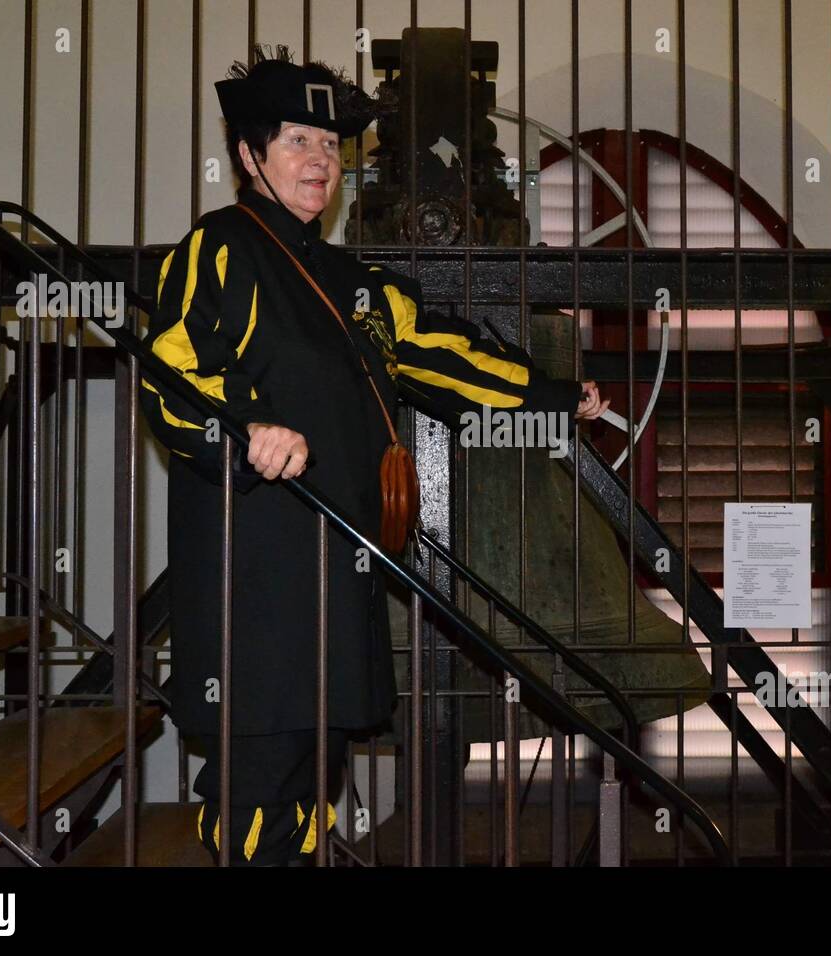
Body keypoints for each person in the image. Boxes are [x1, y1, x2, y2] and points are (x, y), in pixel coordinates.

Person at [138, 45, 609, 866]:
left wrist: (553, 395)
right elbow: (173, 362)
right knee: (258, 791)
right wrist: (248, 427)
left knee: (317, 781)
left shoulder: (360, 284)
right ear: (249, 156)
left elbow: (444, 355)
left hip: (334, 572)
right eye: (296, 142)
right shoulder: (220, 248)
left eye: (329, 147)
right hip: (256, 579)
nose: (319, 162)